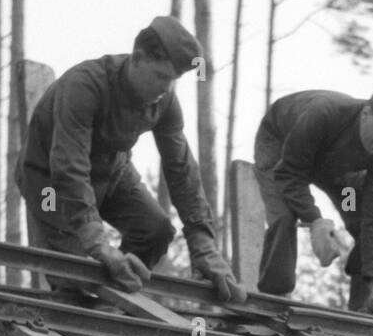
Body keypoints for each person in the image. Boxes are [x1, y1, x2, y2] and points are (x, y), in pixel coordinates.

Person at [17, 16, 243, 302]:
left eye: (173, 80)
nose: (167, 88)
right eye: (161, 77)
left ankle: (115, 287)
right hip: (51, 183)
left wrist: (203, 241)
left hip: (111, 172)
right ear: (138, 59)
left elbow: (182, 170)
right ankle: (85, 295)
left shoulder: (165, 102)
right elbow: (68, 166)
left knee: (156, 231)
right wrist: (97, 242)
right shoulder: (84, 85)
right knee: (72, 278)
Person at [252, 83, 373, 315]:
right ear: (367, 113)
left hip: (336, 171)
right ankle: (273, 298)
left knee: (359, 219)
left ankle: (366, 304)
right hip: (281, 146)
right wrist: (314, 220)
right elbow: (290, 175)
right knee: (284, 215)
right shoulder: (323, 114)